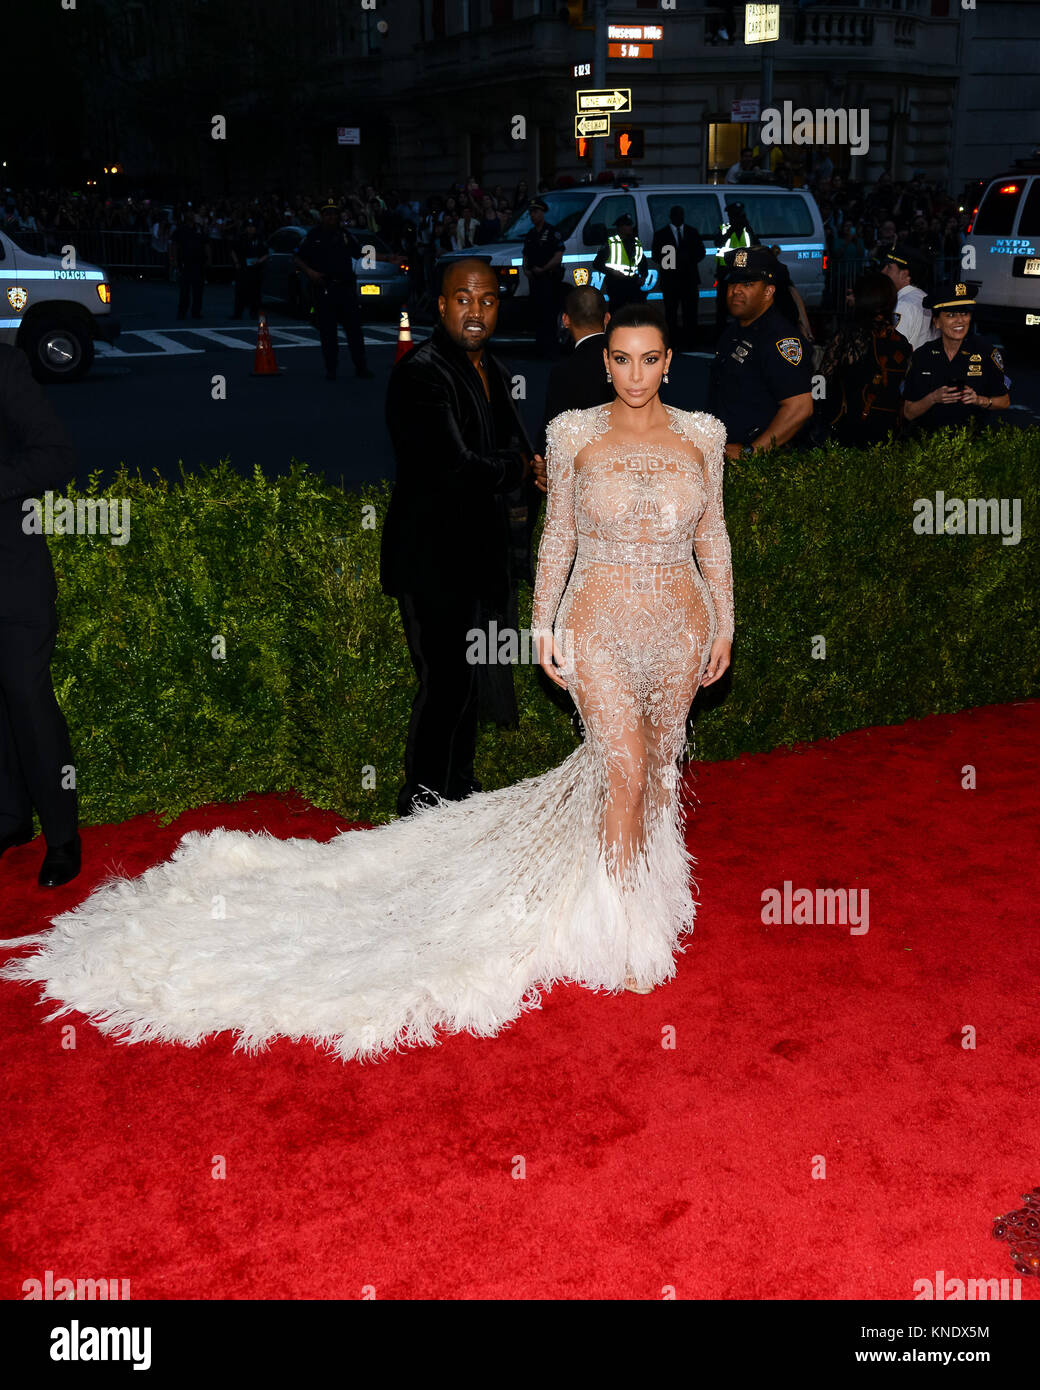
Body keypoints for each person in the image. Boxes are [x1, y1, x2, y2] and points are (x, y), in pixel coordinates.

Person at [0, 306, 734, 1060]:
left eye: (649, 360)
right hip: (598, 620)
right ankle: (622, 933)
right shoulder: (574, 432)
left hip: (681, 621)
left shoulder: (703, 434)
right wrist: (544, 626)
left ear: (670, 362)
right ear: (604, 360)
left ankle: (654, 893)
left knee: (661, 771)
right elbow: (557, 541)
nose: (635, 374)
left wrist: (725, 625)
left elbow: (713, 537)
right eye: (622, 359)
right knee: (625, 767)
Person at [380, 258, 542, 816]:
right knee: (446, 682)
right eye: (464, 300)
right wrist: (520, 469)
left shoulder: (487, 366)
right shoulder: (421, 372)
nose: (476, 312)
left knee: (470, 683)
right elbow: (455, 466)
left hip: (476, 557)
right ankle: (421, 805)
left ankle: (457, 795)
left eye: (488, 300)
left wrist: (532, 464)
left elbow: (506, 443)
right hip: (432, 562)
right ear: (443, 304)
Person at [0, 345, 81, 888]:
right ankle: (9, 818)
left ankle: (62, 835)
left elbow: (57, 455)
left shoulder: (3, 367)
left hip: (12, 575)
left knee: (28, 700)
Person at [709, 246, 814, 458]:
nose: (736, 290)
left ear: (768, 291)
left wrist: (752, 452)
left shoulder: (779, 339)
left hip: (762, 465)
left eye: (747, 284)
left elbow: (799, 408)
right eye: (733, 282)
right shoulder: (733, 331)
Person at [817, 271, 912, 446]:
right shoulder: (901, 341)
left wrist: (818, 412)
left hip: (850, 426)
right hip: (888, 429)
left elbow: (822, 378)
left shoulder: (850, 335)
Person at [901, 282, 1010, 433]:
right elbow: (908, 412)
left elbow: (1004, 401)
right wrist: (933, 398)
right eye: (951, 315)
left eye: (964, 313)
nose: (959, 320)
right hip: (928, 447)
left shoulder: (985, 352)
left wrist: (979, 400)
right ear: (936, 322)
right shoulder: (922, 356)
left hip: (972, 447)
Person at [294, 202, 373, 381]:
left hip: (345, 288)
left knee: (354, 331)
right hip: (325, 288)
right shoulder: (313, 236)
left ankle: (361, 367)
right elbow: (297, 258)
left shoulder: (345, 235)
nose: (331, 218)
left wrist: (388, 257)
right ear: (322, 216)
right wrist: (310, 273)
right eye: (327, 214)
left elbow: (360, 252)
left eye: (334, 214)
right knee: (328, 333)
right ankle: (331, 369)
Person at [540, 285, 613, 451]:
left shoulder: (563, 371)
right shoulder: (627, 360)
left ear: (565, 320)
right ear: (607, 318)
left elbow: (553, 431)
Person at [651, 206, 706, 351]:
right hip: (671, 280)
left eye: (680, 215)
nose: (678, 217)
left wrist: (688, 258)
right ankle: (672, 343)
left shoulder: (692, 232)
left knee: (690, 313)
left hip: (689, 280)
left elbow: (701, 252)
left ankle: (691, 342)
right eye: (675, 215)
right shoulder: (661, 234)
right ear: (670, 216)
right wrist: (671, 260)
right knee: (671, 314)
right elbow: (655, 255)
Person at [522, 198, 565, 358]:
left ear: (543, 213)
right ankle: (539, 348)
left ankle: (551, 350)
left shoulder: (553, 232)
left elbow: (558, 255)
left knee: (550, 315)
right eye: (531, 212)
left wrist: (544, 269)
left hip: (549, 279)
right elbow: (525, 254)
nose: (533, 215)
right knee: (537, 315)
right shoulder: (531, 234)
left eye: (536, 212)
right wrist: (526, 269)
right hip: (535, 280)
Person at [878, 244, 937, 353]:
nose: (883, 271)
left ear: (904, 274)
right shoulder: (924, 298)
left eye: (889, 267)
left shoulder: (903, 305)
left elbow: (892, 349)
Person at [713, 202, 756, 337]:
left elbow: (755, 246)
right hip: (725, 273)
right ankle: (721, 336)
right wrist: (731, 231)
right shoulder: (724, 228)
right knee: (722, 307)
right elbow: (718, 242)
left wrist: (746, 227)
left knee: (743, 306)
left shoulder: (747, 230)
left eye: (738, 216)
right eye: (734, 217)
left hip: (742, 274)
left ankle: (741, 335)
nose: (736, 219)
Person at [593, 212, 648, 312]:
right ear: (620, 228)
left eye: (631, 225)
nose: (631, 227)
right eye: (627, 225)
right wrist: (612, 272)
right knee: (617, 312)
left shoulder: (636, 242)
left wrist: (643, 276)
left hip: (633, 284)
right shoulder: (611, 243)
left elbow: (642, 261)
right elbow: (597, 263)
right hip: (616, 284)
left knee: (635, 313)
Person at [169, 211, 211, 320]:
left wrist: (209, 258)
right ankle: (182, 312)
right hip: (185, 263)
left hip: (199, 262)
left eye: (192, 215)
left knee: (198, 290)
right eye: (189, 215)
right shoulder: (180, 230)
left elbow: (206, 244)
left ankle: (196, 312)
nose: (191, 217)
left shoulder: (200, 229)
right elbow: (174, 245)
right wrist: (173, 259)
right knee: (184, 290)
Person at [229, 218, 268, 319]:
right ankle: (237, 314)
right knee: (240, 292)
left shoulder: (259, 238)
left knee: (255, 292)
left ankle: (254, 313)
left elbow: (266, 253)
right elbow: (233, 250)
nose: (251, 229)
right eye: (249, 227)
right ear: (246, 228)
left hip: (255, 268)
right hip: (243, 268)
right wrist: (236, 263)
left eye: (253, 227)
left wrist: (259, 261)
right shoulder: (240, 238)